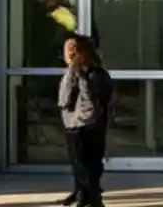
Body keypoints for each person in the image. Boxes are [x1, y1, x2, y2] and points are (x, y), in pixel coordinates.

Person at [59, 35, 113, 207]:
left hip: (80, 125)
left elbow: (65, 100)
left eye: (68, 51)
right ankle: (82, 193)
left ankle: (92, 196)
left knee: (83, 164)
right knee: (88, 163)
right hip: (89, 123)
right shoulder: (95, 71)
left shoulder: (82, 73)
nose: (65, 55)